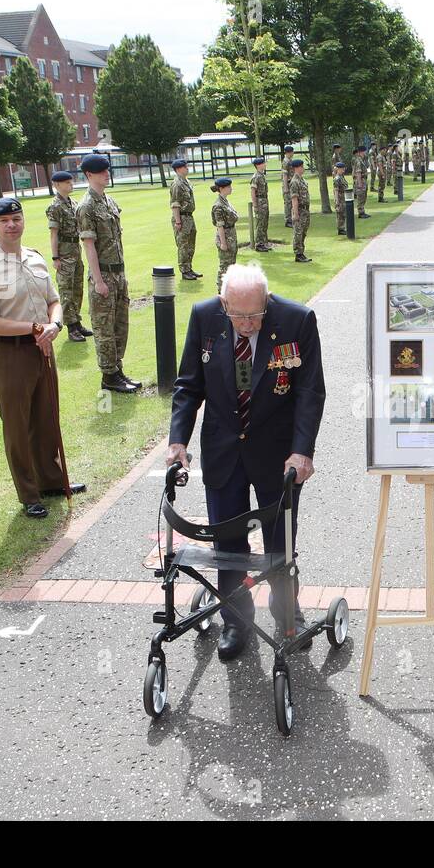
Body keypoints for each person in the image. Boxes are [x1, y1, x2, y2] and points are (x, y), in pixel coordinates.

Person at [167, 263, 326, 660]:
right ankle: (236, 618)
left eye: (254, 314)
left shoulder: (297, 320)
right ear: (223, 304)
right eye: (237, 315)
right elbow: (188, 385)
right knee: (227, 540)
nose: (246, 323)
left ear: (267, 301)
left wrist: (302, 450)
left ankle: (286, 610)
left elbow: (309, 390)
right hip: (223, 448)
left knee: (279, 540)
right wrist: (178, 440)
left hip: (278, 452)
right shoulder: (205, 316)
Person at [0, 198, 85, 519]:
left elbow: (54, 300)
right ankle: (28, 492)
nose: (11, 225)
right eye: (4, 220)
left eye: (16, 218)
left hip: (43, 346)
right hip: (11, 353)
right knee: (17, 426)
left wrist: (55, 324)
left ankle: (50, 480)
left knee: (47, 417)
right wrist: (33, 327)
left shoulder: (34, 258)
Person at [76, 153, 140, 394]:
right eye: (101, 171)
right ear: (89, 175)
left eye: (107, 170)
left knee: (120, 326)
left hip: (118, 273)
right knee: (104, 329)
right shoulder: (86, 207)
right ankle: (109, 376)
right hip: (103, 275)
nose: (106, 173)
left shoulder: (108, 202)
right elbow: (89, 246)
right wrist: (99, 281)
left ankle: (117, 369)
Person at [46, 170, 92, 342]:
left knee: (77, 289)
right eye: (66, 183)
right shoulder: (55, 206)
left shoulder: (72, 203)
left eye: (71, 182)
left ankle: (77, 322)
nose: (70, 185)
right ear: (57, 185)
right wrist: (55, 257)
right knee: (66, 291)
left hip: (75, 250)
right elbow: (53, 234)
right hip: (64, 254)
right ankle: (71, 328)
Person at [169, 158, 202, 282]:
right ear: (178, 169)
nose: (187, 168)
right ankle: (184, 270)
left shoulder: (185, 181)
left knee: (190, 244)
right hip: (182, 217)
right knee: (183, 245)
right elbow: (175, 204)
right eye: (184, 166)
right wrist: (178, 221)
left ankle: (189, 268)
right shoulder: (177, 184)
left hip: (189, 216)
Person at [211, 177, 238, 293]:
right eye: (228, 187)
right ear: (221, 189)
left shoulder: (225, 201)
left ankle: (229, 289)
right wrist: (223, 243)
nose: (231, 189)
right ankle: (221, 290)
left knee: (231, 264)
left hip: (231, 235)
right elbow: (220, 226)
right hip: (225, 236)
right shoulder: (218, 205)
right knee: (224, 266)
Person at [289, 159, 312, 263]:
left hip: (305, 210)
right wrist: (296, 214)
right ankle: (298, 254)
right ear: (297, 168)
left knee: (303, 232)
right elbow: (294, 199)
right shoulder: (294, 182)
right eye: (302, 167)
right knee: (298, 232)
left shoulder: (302, 180)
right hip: (300, 210)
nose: (303, 168)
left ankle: (301, 252)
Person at [249, 157, 272, 252]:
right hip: (259, 201)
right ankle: (259, 244)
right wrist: (255, 205)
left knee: (264, 223)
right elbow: (253, 191)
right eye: (263, 163)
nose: (265, 164)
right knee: (260, 223)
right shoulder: (256, 177)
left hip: (264, 200)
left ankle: (263, 242)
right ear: (258, 165)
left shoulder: (261, 175)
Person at [352, 145, 371, 219]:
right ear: (361, 152)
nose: (365, 153)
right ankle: (361, 213)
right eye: (364, 151)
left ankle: (363, 211)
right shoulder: (358, 161)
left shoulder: (361, 160)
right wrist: (359, 183)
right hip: (361, 181)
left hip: (363, 180)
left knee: (364, 196)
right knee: (361, 197)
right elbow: (358, 173)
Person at [332, 162, 350, 236]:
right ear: (338, 169)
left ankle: (342, 228)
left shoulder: (341, 177)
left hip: (343, 197)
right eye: (342, 169)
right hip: (340, 198)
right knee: (340, 214)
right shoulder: (337, 178)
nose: (343, 170)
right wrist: (336, 201)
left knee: (343, 213)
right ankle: (341, 229)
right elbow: (336, 190)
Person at [281, 145, 295, 228]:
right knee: (288, 203)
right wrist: (286, 187)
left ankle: (291, 219)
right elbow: (285, 175)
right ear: (290, 152)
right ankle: (288, 220)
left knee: (291, 203)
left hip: (290, 184)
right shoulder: (286, 161)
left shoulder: (289, 160)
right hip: (288, 184)